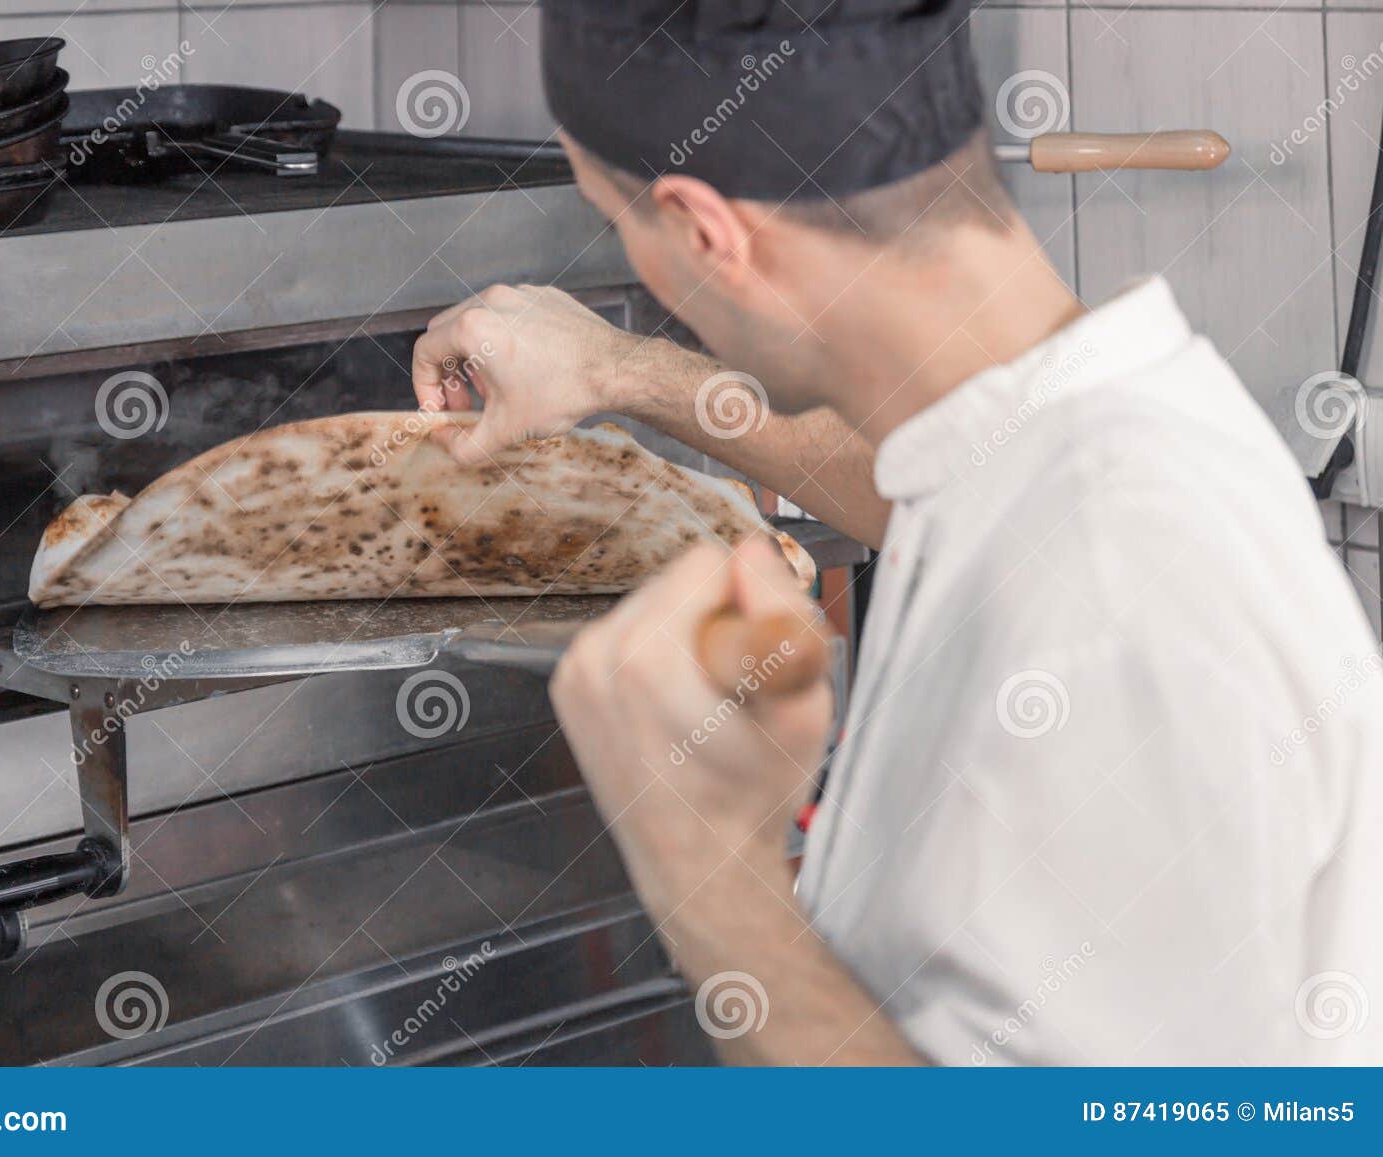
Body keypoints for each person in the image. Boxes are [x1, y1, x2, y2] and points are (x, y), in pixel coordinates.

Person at [411, 0, 1383, 1065]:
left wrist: (705, 863)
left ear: (705, 233)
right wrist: (614, 368)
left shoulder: (1118, 581)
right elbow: (927, 483)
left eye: (619, 220)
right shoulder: (1075, 445)